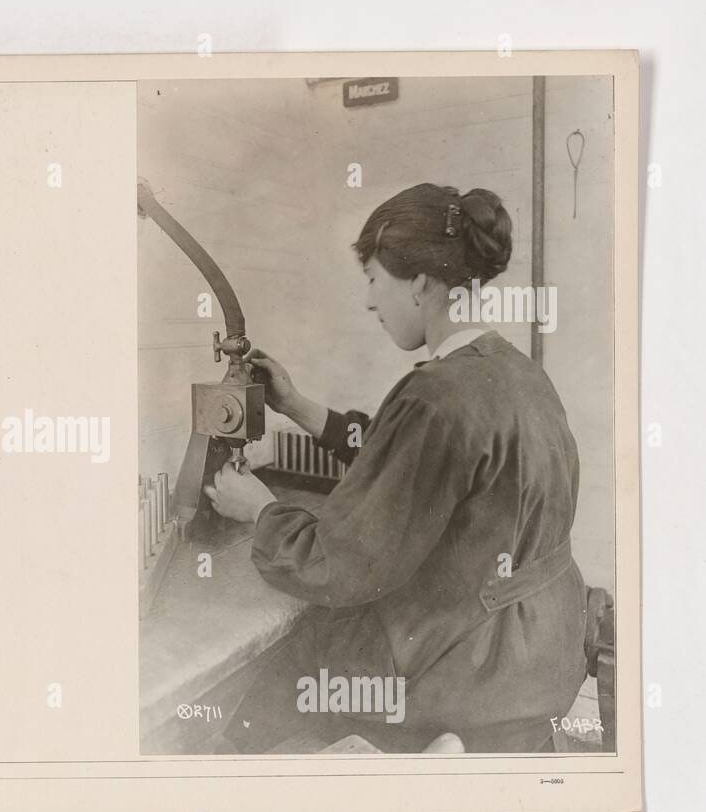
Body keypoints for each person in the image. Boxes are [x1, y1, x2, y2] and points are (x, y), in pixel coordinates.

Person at [203, 183, 588, 753]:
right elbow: (417, 467)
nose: (368, 301)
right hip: (540, 653)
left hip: (468, 671)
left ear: (423, 285)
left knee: (258, 700)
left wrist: (260, 510)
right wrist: (299, 406)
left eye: (374, 280)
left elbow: (337, 565)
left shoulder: (435, 395)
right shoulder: (513, 371)